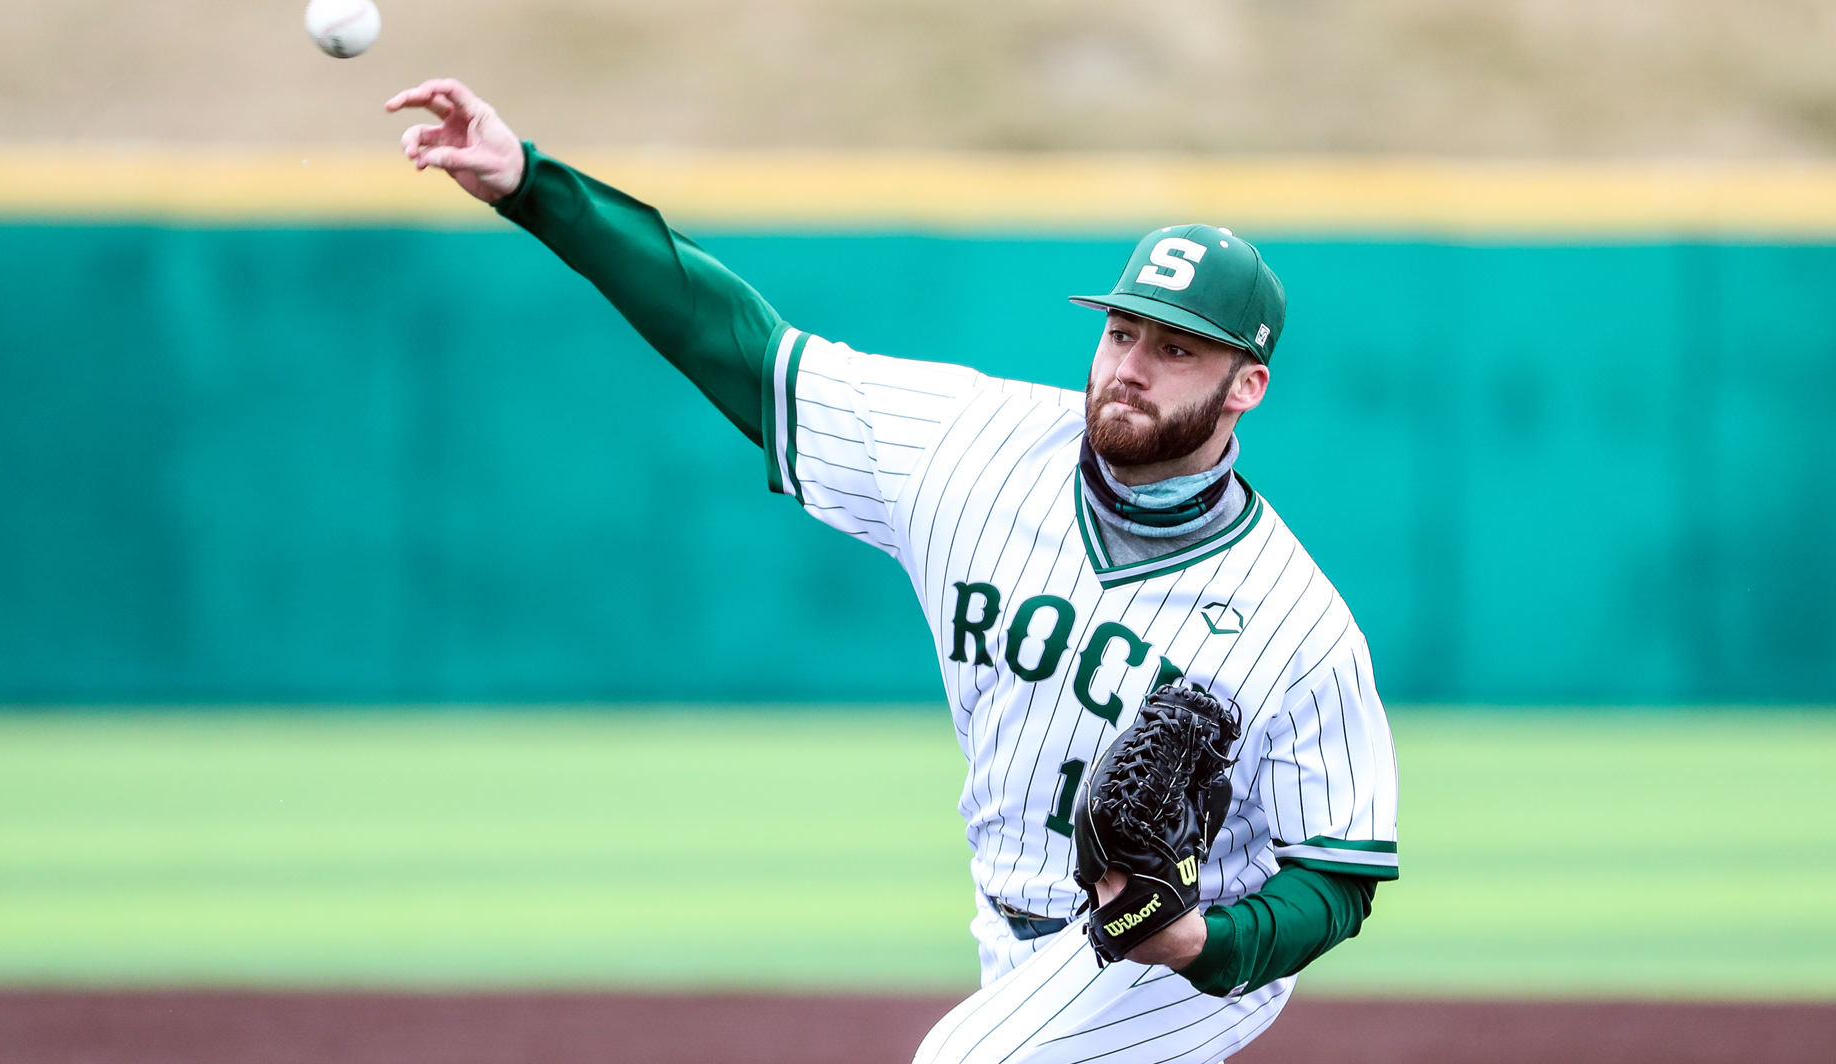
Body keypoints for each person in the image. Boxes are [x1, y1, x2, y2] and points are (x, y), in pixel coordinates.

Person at [387, 78, 1399, 1064]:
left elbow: (1337, 874)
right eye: (1122, 330)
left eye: (1175, 349)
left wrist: (1200, 945)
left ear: (1245, 387)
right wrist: (533, 186)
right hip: (1009, 933)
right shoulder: (970, 447)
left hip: (1171, 969)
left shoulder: (1291, 621)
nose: (1129, 364)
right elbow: (742, 347)